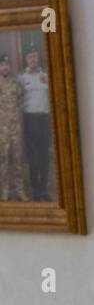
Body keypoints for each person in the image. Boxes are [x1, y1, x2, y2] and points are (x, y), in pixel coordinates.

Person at [19, 48, 53, 202]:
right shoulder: (21, 78)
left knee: (44, 156)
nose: (32, 60)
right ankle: (35, 190)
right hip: (30, 119)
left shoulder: (45, 77)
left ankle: (44, 189)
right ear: (26, 60)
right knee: (33, 157)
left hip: (44, 119)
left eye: (35, 57)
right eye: (30, 57)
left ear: (38, 59)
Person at [0, 55, 30, 202]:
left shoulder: (16, 83)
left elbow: (20, 101)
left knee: (17, 159)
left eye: (6, 64)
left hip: (15, 128)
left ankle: (19, 190)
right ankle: (5, 191)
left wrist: (16, 120)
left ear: (10, 67)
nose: (4, 67)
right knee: (4, 160)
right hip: (1, 130)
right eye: (2, 65)